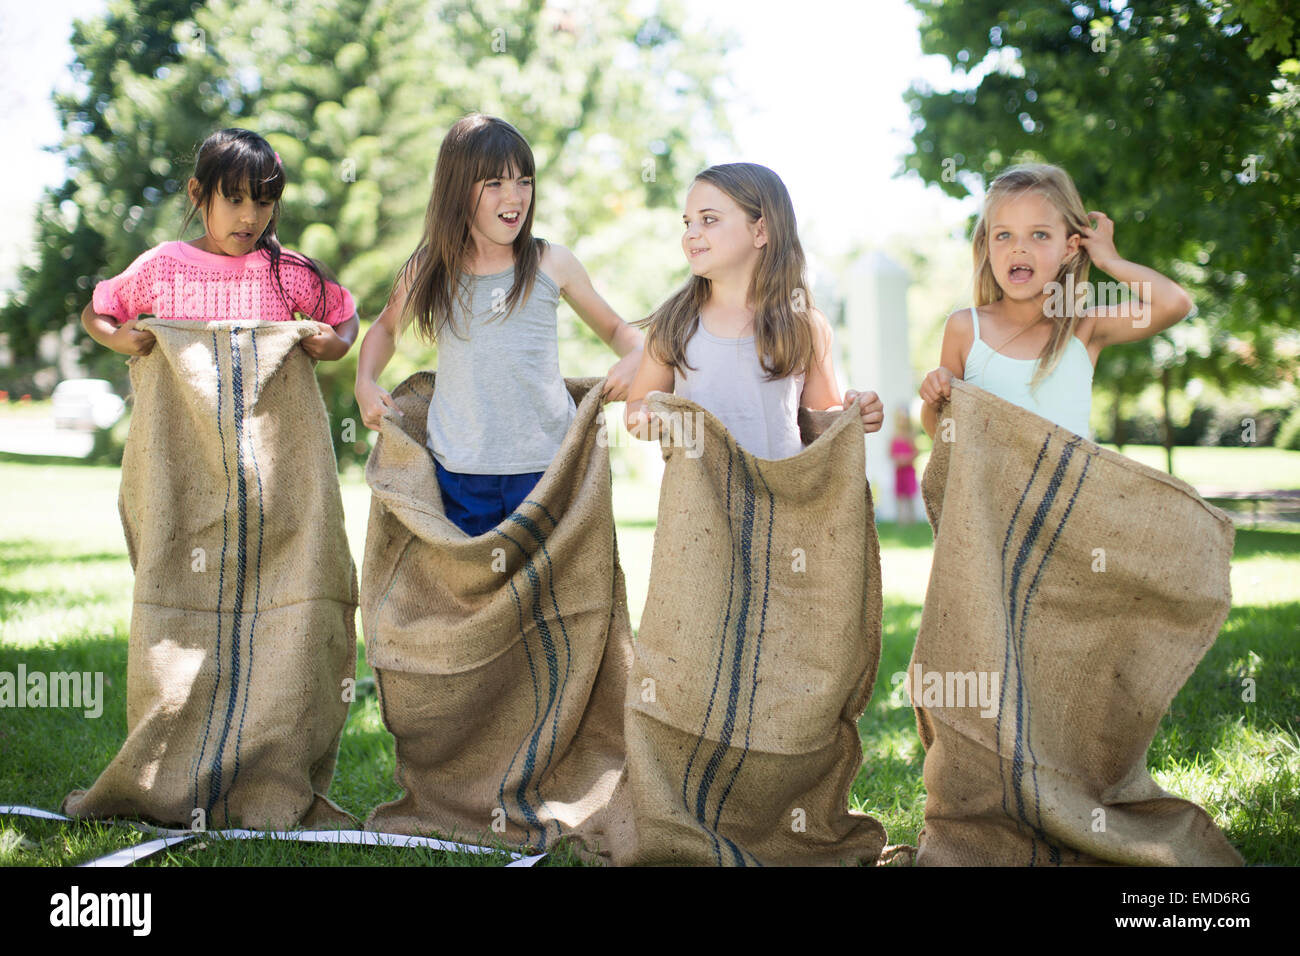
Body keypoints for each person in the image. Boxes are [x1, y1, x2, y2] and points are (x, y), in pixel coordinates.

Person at [354, 113, 643, 536]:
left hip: (548, 471)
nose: (515, 195)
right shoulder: (430, 267)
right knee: (470, 597)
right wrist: (365, 380)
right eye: (495, 183)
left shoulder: (552, 263)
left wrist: (639, 357)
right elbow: (383, 330)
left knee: (544, 599)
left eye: (524, 180)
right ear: (457, 190)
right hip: (459, 474)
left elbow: (618, 330)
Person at [918, 162, 1194, 437]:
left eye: (1039, 235)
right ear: (987, 246)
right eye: (1004, 235)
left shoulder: (1085, 327)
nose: (1019, 247)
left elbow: (1174, 304)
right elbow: (943, 436)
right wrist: (935, 399)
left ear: (1069, 248)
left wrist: (1110, 260)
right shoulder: (966, 328)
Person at [624, 162, 883, 451]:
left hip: (782, 492)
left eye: (708, 220)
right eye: (688, 223)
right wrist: (647, 418)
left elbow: (822, 417)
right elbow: (636, 406)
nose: (690, 234)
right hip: (699, 494)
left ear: (762, 231)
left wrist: (854, 415)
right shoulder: (675, 324)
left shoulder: (804, 324)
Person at [82, 127, 358, 356]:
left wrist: (340, 345)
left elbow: (344, 315)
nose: (250, 217)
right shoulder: (163, 266)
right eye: (234, 200)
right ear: (198, 193)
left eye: (263, 203)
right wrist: (115, 338)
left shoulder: (288, 272)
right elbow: (97, 311)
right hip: (183, 420)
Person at [891, 408, 919, 525]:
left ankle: (912, 519)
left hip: (908, 470)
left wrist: (907, 459)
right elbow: (891, 453)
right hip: (899, 471)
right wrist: (898, 459)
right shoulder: (895, 436)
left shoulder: (910, 436)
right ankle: (901, 520)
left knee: (909, 495)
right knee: (900, 496)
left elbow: (916, 452)